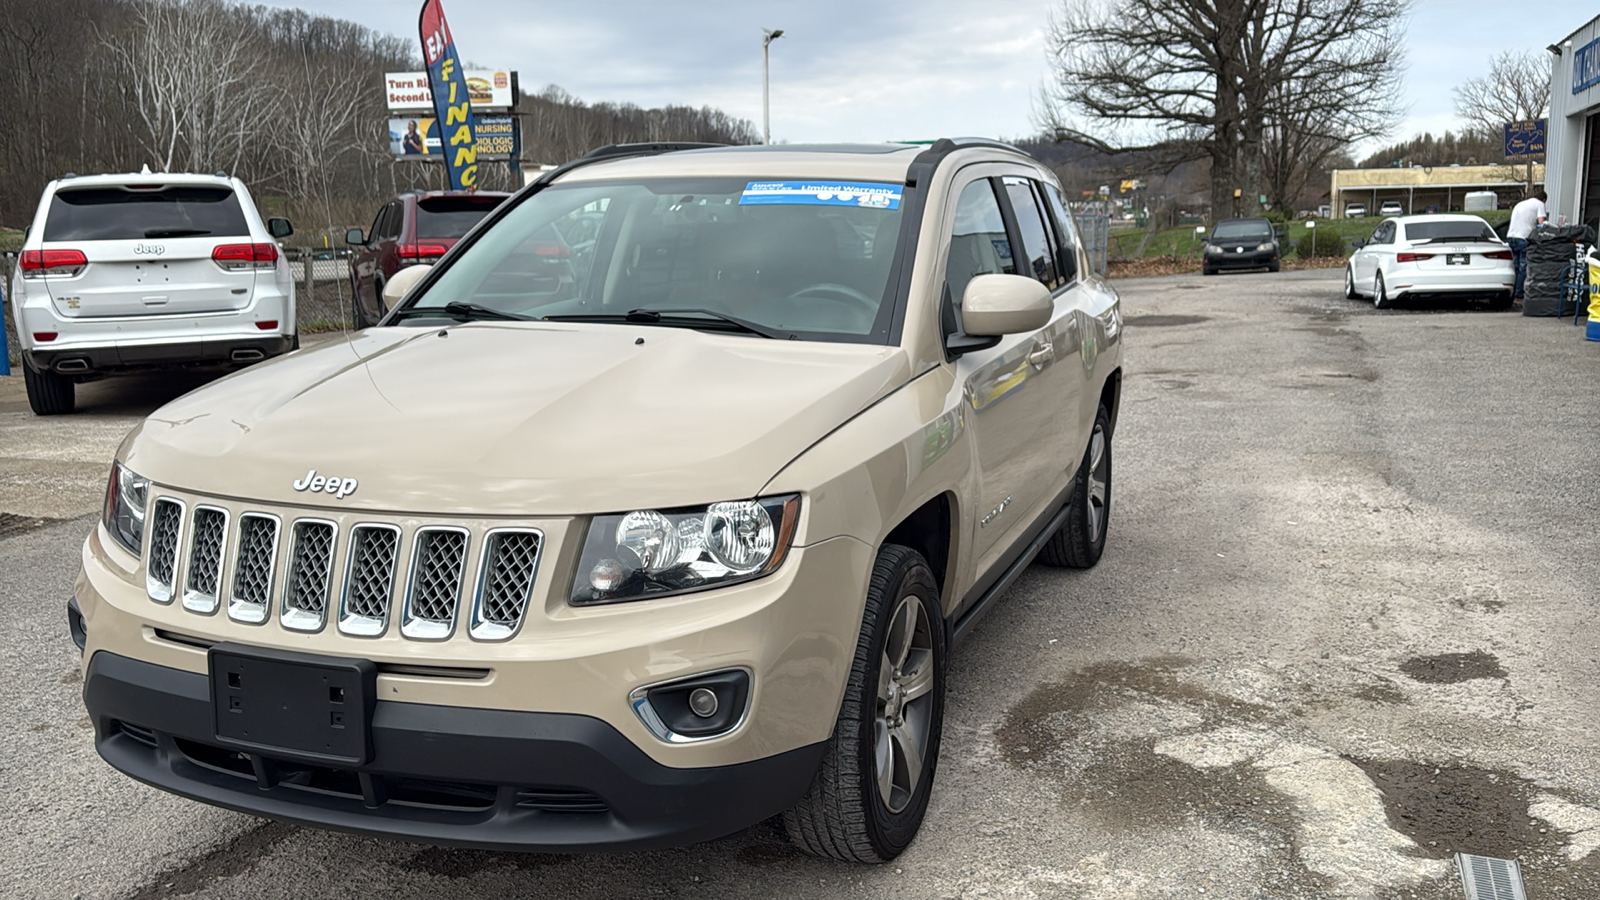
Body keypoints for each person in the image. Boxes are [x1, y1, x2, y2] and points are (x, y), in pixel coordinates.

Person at [1506, 188, 1548, 300]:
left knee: (1514, 267)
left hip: (1511, 236)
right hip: (1524, 238)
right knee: (1523, 267)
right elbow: (1541, 224)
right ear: (1543, 199)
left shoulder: (1521, 204)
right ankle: (1519, 293)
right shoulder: (1540, 204)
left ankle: (1511, 291)